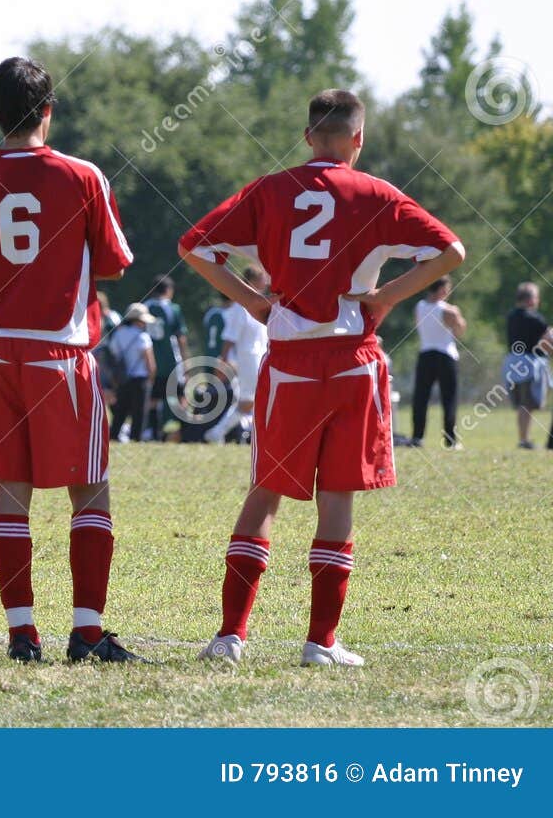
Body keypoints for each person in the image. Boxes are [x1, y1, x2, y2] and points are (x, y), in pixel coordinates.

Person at [180, 89, 464, 668]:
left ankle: (231, 636)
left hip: (290, 362)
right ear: (359, 138)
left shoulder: (268, 190)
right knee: (337, 499)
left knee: (264, 495)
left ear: (308, 135)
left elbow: (194, 247)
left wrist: (253, 301)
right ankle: (320, 642)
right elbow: (451, 251)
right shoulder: (377, 193)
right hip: (354, 362)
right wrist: (385, 296)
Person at [0, 56, 141, 663]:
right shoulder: (83, 175)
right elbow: (112, 263)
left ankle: (22, 634)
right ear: (49, 111)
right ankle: (86, 632)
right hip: (58, 351)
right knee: (90, 490)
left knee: (11, 493)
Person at [206, 266, 270, 445]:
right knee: (248, 401)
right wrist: (224, 361)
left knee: (256, 400)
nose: (265, 281)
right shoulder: (240, 306)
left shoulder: (260, 303)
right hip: (247, 358)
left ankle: (252, 435)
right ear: (253, 281)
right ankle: (218, 432)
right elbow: (229, 337)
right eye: (262, 278)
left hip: (259, 357)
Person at [412, 277, 466, 449]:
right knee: (449, 399)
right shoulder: (449, 311)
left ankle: (417, 437)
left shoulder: (419, 306)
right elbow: (459, 331)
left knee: (421, 398)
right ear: (442, 289)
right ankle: (450, 440)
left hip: (425, 354)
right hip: (445, 355)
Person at [504, 282, 553, 450]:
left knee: (522, 404)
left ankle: (523, 438)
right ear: (531, 299)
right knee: (527, 404)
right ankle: (524, 440)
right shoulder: (535, 319)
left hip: (512, 362)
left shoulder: (511, 316)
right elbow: (547, 340)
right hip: (529, 364)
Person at [144, 276, 188, 439]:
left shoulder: (145, 307)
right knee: (181, 397)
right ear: (168, 290)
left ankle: (152, 432)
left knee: (153, 399)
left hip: (151, 362)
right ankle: (185, 433)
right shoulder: (172, 308)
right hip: (171, 362)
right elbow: (181, 337)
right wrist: (186, 361)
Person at [106, 304, 155, 444]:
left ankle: (114, 436)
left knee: (120, 411)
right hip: (140, 379)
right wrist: (151, 380)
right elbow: (150, 363)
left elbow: (113, 355)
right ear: (137, 320)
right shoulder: (143, 336)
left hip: (123, 379)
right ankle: (136, 438)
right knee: (139, 413)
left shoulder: (118, 334)